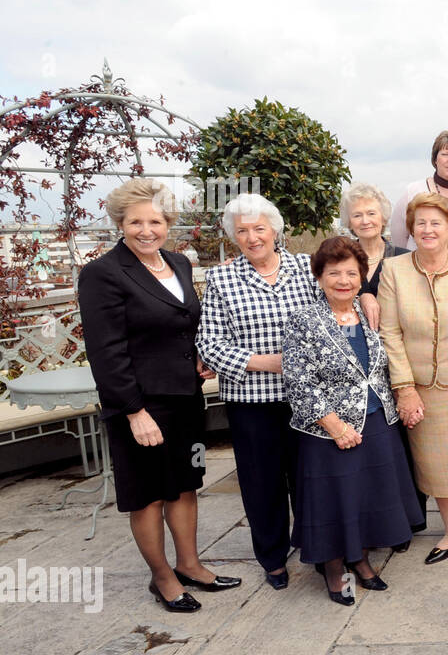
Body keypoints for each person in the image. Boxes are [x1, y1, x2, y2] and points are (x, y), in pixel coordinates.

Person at [79, 178, 233, 612]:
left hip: (185, 397)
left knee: (185, 484)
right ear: (120, 224)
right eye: (136, 222)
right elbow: (105, 352)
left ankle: (191, 565)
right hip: (141, 406)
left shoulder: (178, 264)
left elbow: (185, 327)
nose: (147, 230)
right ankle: (163, 578)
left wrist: (200, 360)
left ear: (168, 223)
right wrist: (134, 412)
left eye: (156, 221)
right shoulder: (102, 273)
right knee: (147, 493)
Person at [282, 238, 423, 604]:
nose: (343, 280)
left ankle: (359, 558)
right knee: (333, 500)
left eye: (351, 273)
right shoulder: (304, 319)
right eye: (334, 273)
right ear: (319, 276)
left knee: (363, 496)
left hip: (376, 419)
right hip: (328, 430)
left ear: (362, 276)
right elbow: (299, 380)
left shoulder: (369, 310)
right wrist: (335, 426)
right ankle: (333, 568)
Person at [197, 193, 318, 590]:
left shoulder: (306, 269)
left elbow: (331, 314)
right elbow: (209, 343)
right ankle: (272, 557)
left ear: (275, 230)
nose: (252, 237)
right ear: (234, 237)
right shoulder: (222, 278)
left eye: (259, 228)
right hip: (251, 402)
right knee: (261, 483)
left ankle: (315, 548)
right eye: (243, 231)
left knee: (310, 477)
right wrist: (265, 361)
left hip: (307, 397)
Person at [379, 192, 448, 569]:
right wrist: (405, 388)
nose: (428, 229)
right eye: (421, 223)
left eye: (436, 223)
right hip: (418, 390)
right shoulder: (393, 271)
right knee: (434, 466)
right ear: (411, 229)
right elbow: (389, 333)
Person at [339, 182, 427, 543]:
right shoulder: (342, 256)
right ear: (349, 220)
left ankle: (411, 518)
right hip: (357, 362)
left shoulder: (402, 254)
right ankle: (375, 520)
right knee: (375, 443)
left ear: (383, 216)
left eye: (371, 213)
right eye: (357, 214)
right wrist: (363, 293)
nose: (365, 220)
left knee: (408, 440)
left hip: (399, 356)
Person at [390, 130, 448, 254]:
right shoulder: (414, 191)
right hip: (418, 267)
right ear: (435, 159)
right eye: (445, 154)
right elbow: (399, 236)